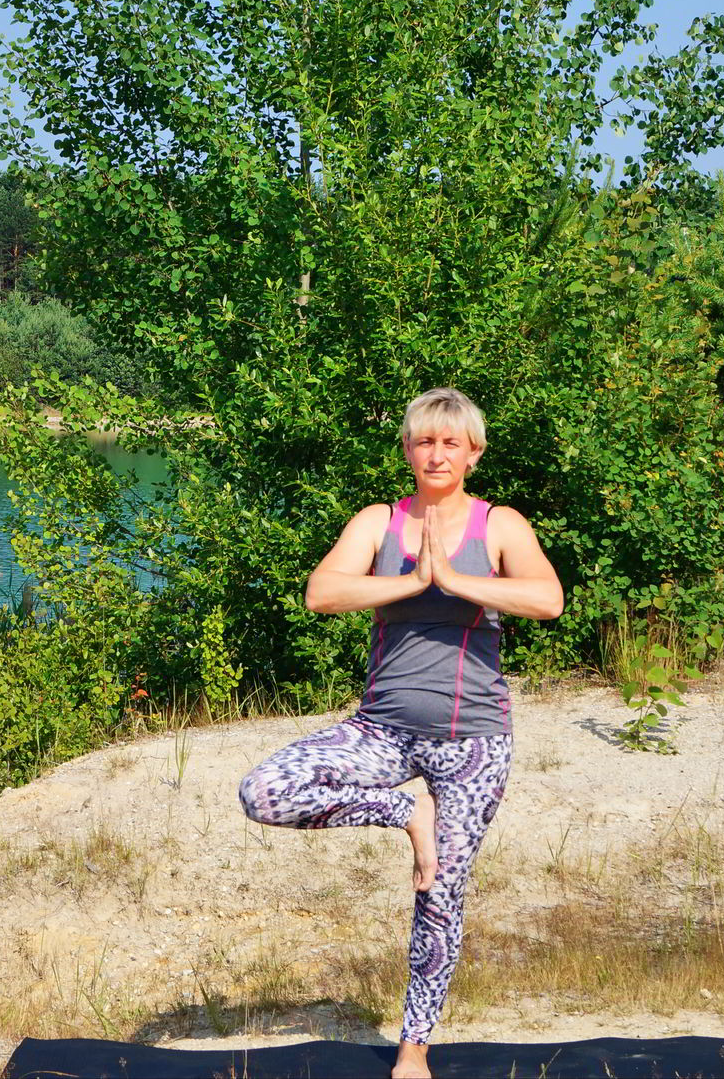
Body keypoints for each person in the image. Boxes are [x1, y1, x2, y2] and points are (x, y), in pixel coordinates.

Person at [237, 387, 564, 1079]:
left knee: (440, 893)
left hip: (473, 740)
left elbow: (547, 599)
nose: (437, 453)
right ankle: (403, 811)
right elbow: (323, 593)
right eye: (424, 441)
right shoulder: (380, 522)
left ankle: (414, 1049)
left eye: (451, 442)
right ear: (408, 450)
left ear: (472, 452)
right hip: (381, 730)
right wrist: (415, 581)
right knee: (264, 790)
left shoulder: (498, 525)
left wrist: (461, 582)